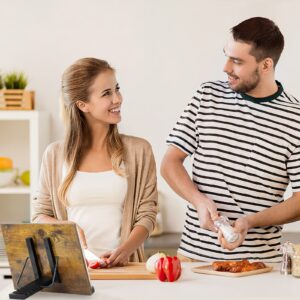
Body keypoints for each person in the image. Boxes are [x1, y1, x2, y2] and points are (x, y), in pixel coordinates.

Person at [161, 17, 300, 262]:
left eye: (236, 61)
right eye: (226, 56)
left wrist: (250, 221)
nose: (226, 67)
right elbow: (170, 162)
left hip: (259, 266)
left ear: (266, 65)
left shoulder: (295, 118)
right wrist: (199, 201)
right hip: (194, 259)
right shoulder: (207, 95)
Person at [32, 57, 158, 266]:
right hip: (70, 270)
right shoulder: (54, 154)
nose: (117, 99)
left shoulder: (139, 151)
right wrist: (67, 228)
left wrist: (125, 250)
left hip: (125, 270)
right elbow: (39, 215)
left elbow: (147, 214)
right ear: (83, 105)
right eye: (107, 93)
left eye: (117, 89)